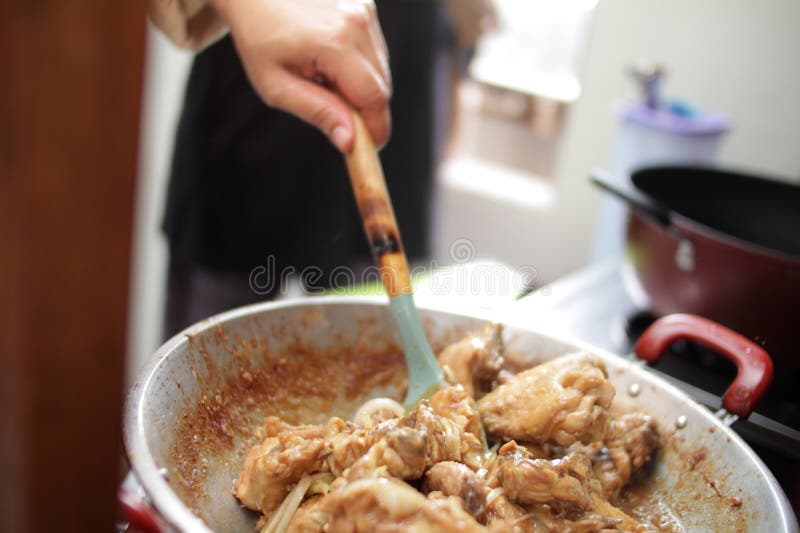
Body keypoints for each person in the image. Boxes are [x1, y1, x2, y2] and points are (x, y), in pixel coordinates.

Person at [148, 0, 495, 336]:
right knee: (205, 354)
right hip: (248, 77)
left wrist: (461, 54)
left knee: (379, 351)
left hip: (400, 80)